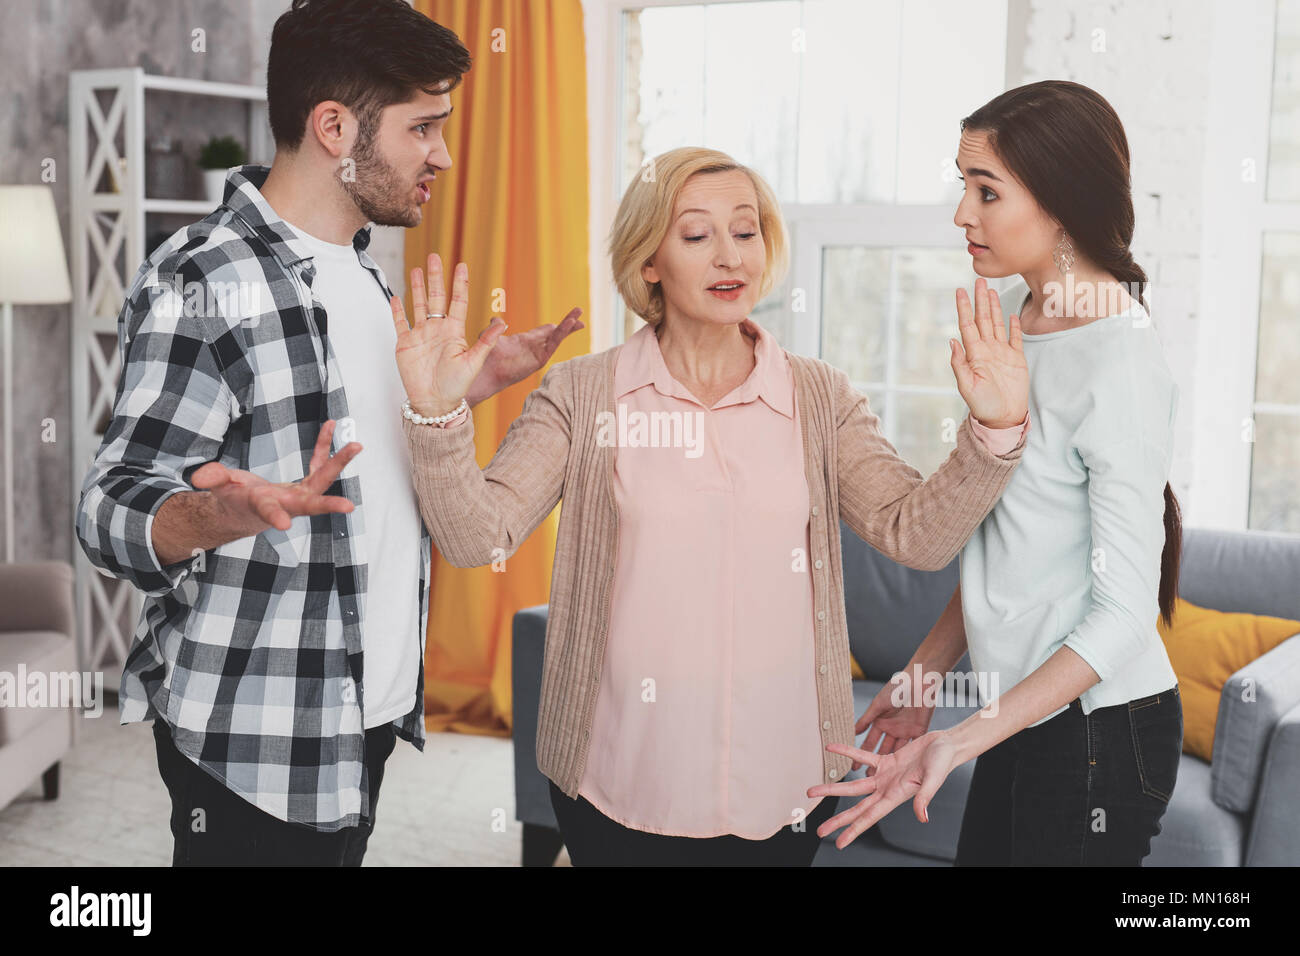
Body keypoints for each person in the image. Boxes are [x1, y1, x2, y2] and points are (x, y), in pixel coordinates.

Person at [389, 145, 1032, 866]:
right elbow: (480, 536)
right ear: (650, 261)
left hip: (785, 788)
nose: (731, 256)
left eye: (746, 230)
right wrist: (439, 416)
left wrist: (993, 433)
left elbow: (916, 536)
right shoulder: (582, 393)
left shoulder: (818, 397)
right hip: (621, 779)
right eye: (697, 235)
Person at [74, 0, 580, 866]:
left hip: (362, 713)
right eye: (424, 128)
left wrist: (470, 385)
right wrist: (224, 514)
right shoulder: (204, 278)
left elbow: (368, 462)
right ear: (336, 127)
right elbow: (108, 507)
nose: (443, 156)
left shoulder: (362, 272)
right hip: (256, 731)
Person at [813, 81, 1184, 866]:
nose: (962, 215)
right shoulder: (1019, 316)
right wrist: (922, 680)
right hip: (1023, 714)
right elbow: (1008, 548)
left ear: (1060, 201)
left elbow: (1123, 618)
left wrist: (964, 737)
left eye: (987, 191)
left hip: (1101, 729)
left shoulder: (1120, 360)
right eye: (964, 186)